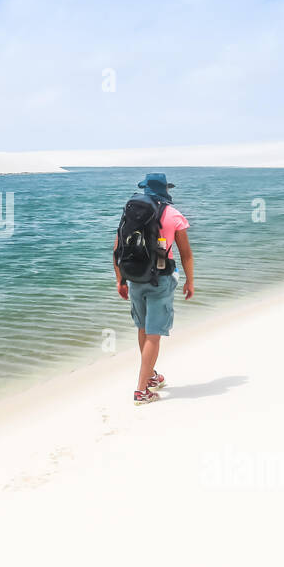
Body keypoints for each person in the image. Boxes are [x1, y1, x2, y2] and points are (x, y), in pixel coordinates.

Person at [112, 172, 194, 405]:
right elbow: (186, 254)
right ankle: (141, 390)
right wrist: (190, 281)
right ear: (165, 190)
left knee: (143, 328)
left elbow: (117, 249)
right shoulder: (174, 215)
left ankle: (151, 376)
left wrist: (120, 280)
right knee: (154, 334)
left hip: (135, 278)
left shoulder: (131, 212)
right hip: (160, 279)